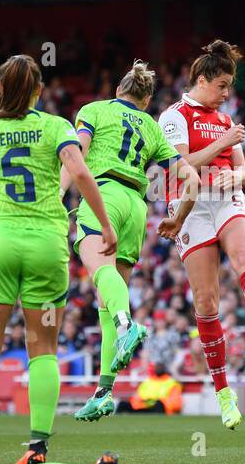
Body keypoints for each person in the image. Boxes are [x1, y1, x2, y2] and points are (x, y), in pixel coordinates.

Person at [0, 55, 114, 464]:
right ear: (39, 90)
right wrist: (105, 226)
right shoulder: (57, 126)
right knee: (42, 349)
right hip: (45, 247)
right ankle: (37, 448)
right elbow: (82, 174)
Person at [63, 59, 200, 421]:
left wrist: (57, 197)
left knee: (98, 274)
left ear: (119, 90)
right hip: (137, 207)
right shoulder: (153, 128)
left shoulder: (94, 110)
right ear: (145, 99)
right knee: (107, 301)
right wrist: (178, 216)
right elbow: (193, 180)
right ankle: (104, 392)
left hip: (102, 193)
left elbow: (76, 154)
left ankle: (128, 325)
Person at [159, 40, 245, 431]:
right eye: (223, 85)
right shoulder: (173, 117)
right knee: (206, 301)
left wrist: (237, 175)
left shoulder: (224, 119)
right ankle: (224, 394)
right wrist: (223, 144)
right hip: (191, 208)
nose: (227, 94)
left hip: (226, 197)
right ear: (203, 79)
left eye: (230, 87)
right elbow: (180, 166)